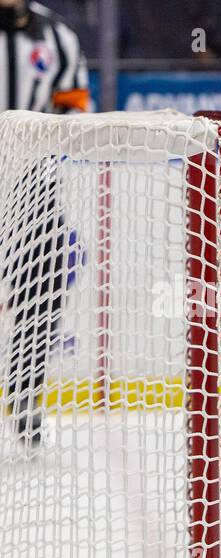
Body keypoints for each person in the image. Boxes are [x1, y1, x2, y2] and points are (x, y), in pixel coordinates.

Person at [0, 0, 89, 449]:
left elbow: (73, 105)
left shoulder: (58, 36)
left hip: (33, 184)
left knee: (45, 281)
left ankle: (25, 390)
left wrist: (42, 139)